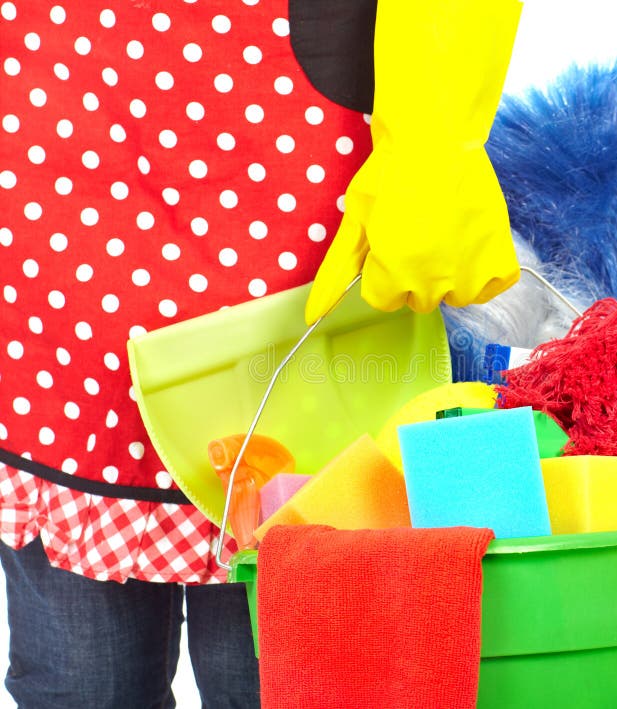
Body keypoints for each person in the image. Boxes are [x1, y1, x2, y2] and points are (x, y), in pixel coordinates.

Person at [0, 0, 520, 706]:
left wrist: (434, 148)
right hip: (54, 188)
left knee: (286, 681)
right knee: (82, 685)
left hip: (307, 191)